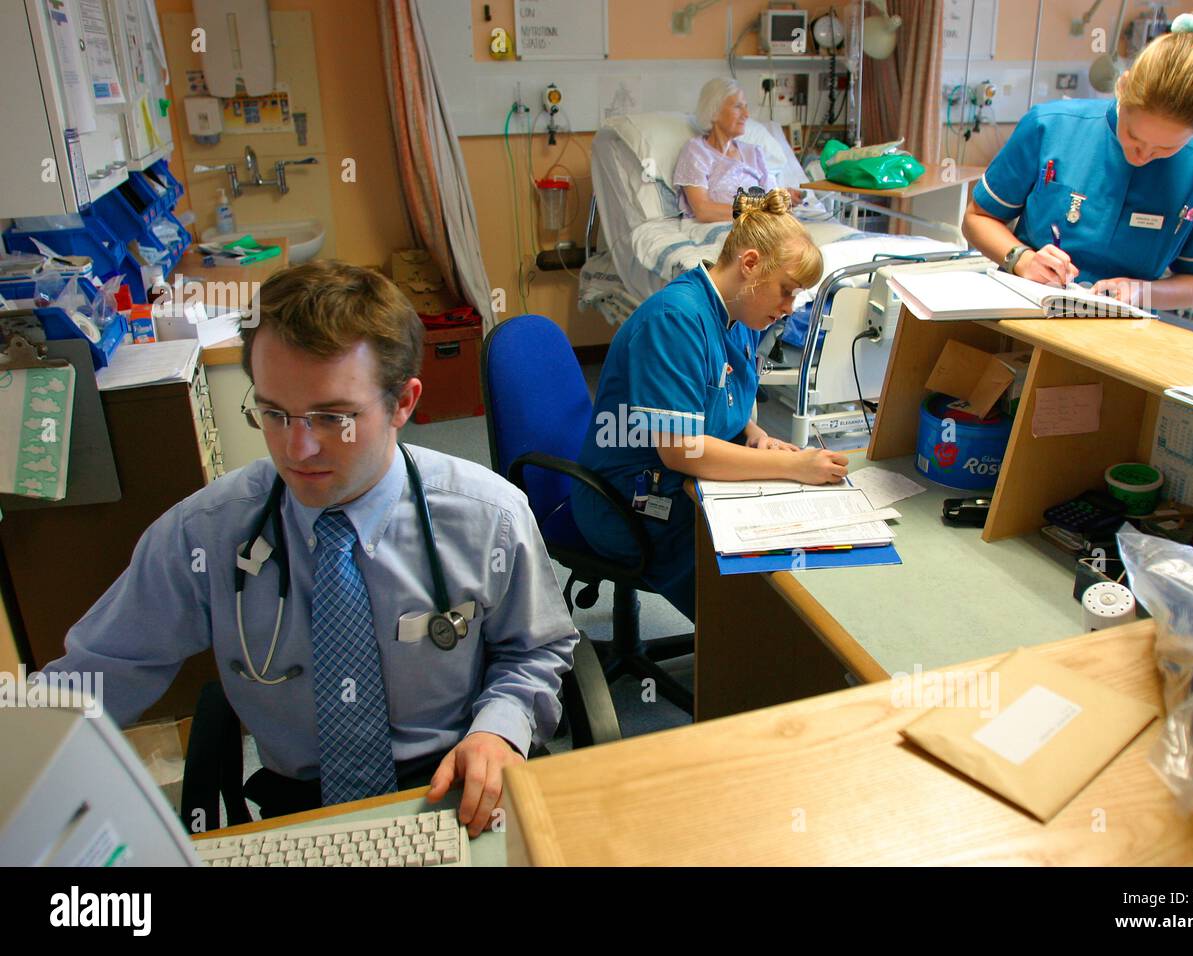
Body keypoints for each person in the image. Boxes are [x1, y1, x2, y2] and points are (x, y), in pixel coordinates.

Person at [43, 260, 577, 834]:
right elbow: (93, 676)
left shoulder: (487, 519)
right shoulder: (205, 535)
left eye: (332, 417)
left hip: (454, 792)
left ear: (403, 402)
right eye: (274, 413)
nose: (297, 448)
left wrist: (498, 730)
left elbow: (534, 651)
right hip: (300, 812)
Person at [571, 189, 848, 620]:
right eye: (786, 292)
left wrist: (756, 436)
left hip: (683, 483)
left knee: (801, 549)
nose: (788, 309)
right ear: (750, 263)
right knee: (766, 593)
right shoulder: (676, 319)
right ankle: (750, 667)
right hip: (628, 502)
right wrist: (795, 467)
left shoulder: (741, 316)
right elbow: (681, 448)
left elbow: (726, 399)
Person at [962, 8, 1193, 311]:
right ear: (1123, 87)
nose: (1142, 156)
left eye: (1163, 150)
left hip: (1121, 336)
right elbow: (977, 218)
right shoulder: (1051, 126)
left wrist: (1143, 292)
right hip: (1024, 311)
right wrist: (1021, 259)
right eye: (1133, 136)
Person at [675, 77, 804, 222]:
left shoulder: (754, 153)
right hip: (722, 229)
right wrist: (763, 206)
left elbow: (772, 200)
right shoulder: (696, 152)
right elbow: (703, 210)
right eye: (738, 106)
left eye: (746, 106)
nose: (746, 114)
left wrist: (784, 198)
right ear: (714, 111)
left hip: (762, 226)